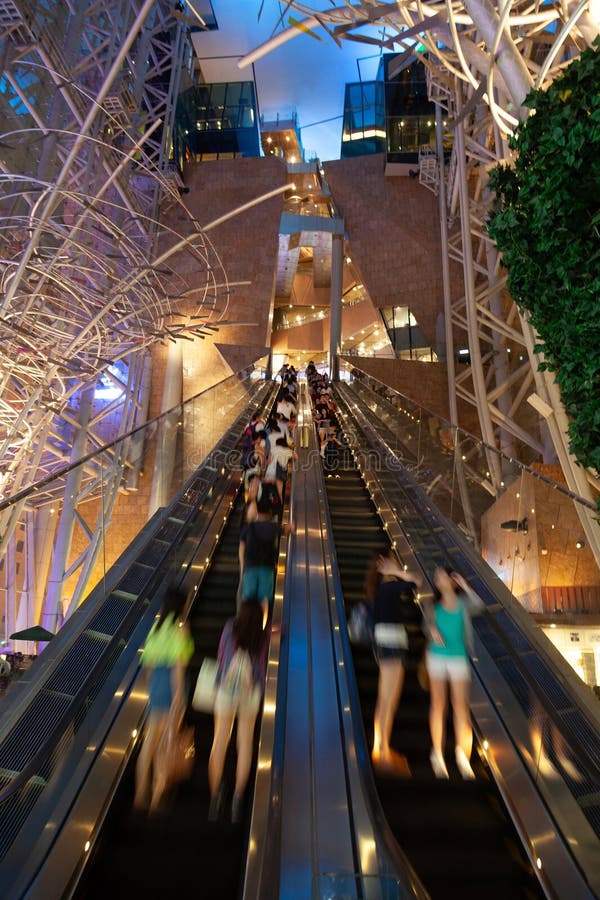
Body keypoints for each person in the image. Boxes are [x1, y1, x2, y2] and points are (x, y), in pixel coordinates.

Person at [208, 600, 269, 822]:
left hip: (226, 691)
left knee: (219, 741)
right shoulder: (262, 636)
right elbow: (261, 668)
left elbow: (221, 657)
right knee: (244, 744)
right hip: (249, 694)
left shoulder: (229, 627)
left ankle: (215, 798)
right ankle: (237, 798)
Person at [134, 587, 194, 811]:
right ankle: (157, 796)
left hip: (156, 685)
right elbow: (178, 667)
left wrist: (153, 689)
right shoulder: (181, 630)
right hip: (172, 686)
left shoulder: (155, 629)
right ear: (181, 606)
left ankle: (140, 793)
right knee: (166, 743)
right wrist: (177, 697)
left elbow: (148, 666)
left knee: (149, 741)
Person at [423, 566, 484, 779]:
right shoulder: (432, 604)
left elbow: (479, 606)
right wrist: (431, 630)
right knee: (438, 704)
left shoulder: (463, 604)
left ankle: (462, 755)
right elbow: (426, 627)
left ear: (452, 580)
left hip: (458, 657)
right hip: (436, 656)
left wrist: (465, 586)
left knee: (460, 706)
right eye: (435, 576)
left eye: (441, 575)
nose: (437, 578)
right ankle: (437, 754)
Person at [367, 552, 422, 774]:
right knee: (387, 698)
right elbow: (416, 582)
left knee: (389, 698)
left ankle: (383, 748)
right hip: (390, 643)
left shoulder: (383, 589)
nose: (397, 563)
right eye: (392, 560)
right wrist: (396, 572)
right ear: (383, 565)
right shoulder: (387, 587)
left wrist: (395, 572)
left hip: (388, 642)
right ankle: (380, 751)